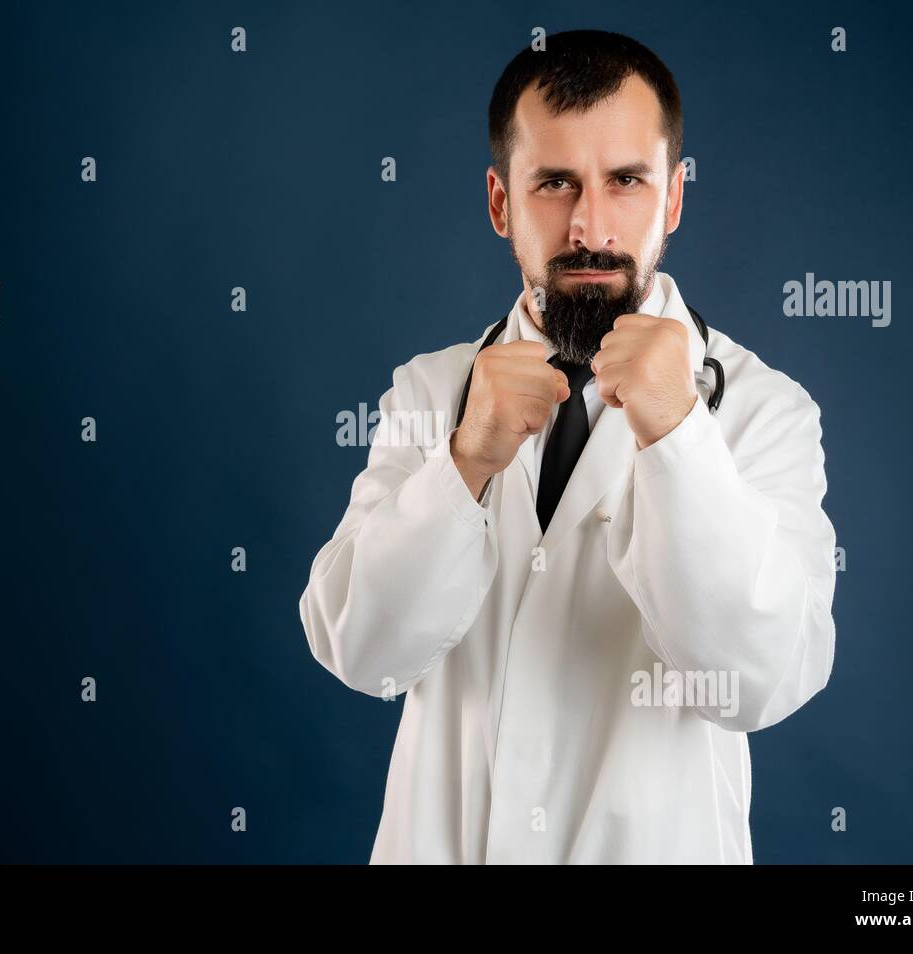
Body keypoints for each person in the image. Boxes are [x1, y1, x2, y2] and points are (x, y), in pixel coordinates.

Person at [298, 29, 837, 864]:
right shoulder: (431, 393)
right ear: (500, 203)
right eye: (554, 183)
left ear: (674, 199)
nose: (591, 226)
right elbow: (359, 650)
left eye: (627, 180)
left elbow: (761, 681)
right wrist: (465, 461)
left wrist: (679, 435)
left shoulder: (762, 411)